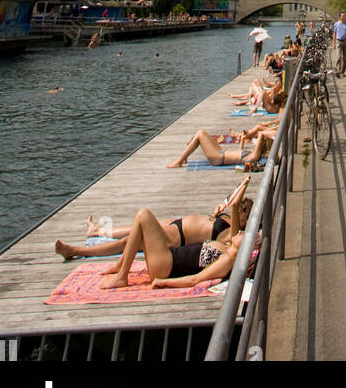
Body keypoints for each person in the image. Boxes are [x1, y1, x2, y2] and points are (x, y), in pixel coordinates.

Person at [95, 179, 252, 290]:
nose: (239, 233)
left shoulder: (228, 260)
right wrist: (242, 185)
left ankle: (122, 276)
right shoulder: (227, 247)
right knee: (140, 229)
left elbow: (196, 279)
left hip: (166, 265)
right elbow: (234, 205)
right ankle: (120, 267)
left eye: (243, 236)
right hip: (168, 256)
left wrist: (164, 283)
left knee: (144, 215)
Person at [56, 189, 255, 260]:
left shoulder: (233, 232)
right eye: (243, 210)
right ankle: (98, 230)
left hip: (178, 237)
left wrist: (242, 189)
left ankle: (74, 250)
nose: (240, 211)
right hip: (178, 225)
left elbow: (235, 203)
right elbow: (233, 200)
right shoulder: (227, 219)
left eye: (245, 212)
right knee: (138, 227)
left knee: (128, 243)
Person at [167, 118, 278, 169]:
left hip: (219, 158)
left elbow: (262, 135)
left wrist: (265, 135)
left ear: (262, 144)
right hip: (221, 152)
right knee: (203, 133)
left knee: (200, 134)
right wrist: (243, 140)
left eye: (259, 140)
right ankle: (185, 157)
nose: (257, 139)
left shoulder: (255, 156)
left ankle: (179, 161)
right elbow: (240, 153)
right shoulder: (252, 153)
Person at [332, 11, 346, 76]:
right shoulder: (336, 24)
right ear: (340, 17)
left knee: (344, 58)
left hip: (345, 42)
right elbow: (334, 34)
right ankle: (338, 71)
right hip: (339, 41)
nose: (343, 17)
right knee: (339, 57)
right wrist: (334, 43)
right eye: (342, 16)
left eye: (344, 16)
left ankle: (343, 71)